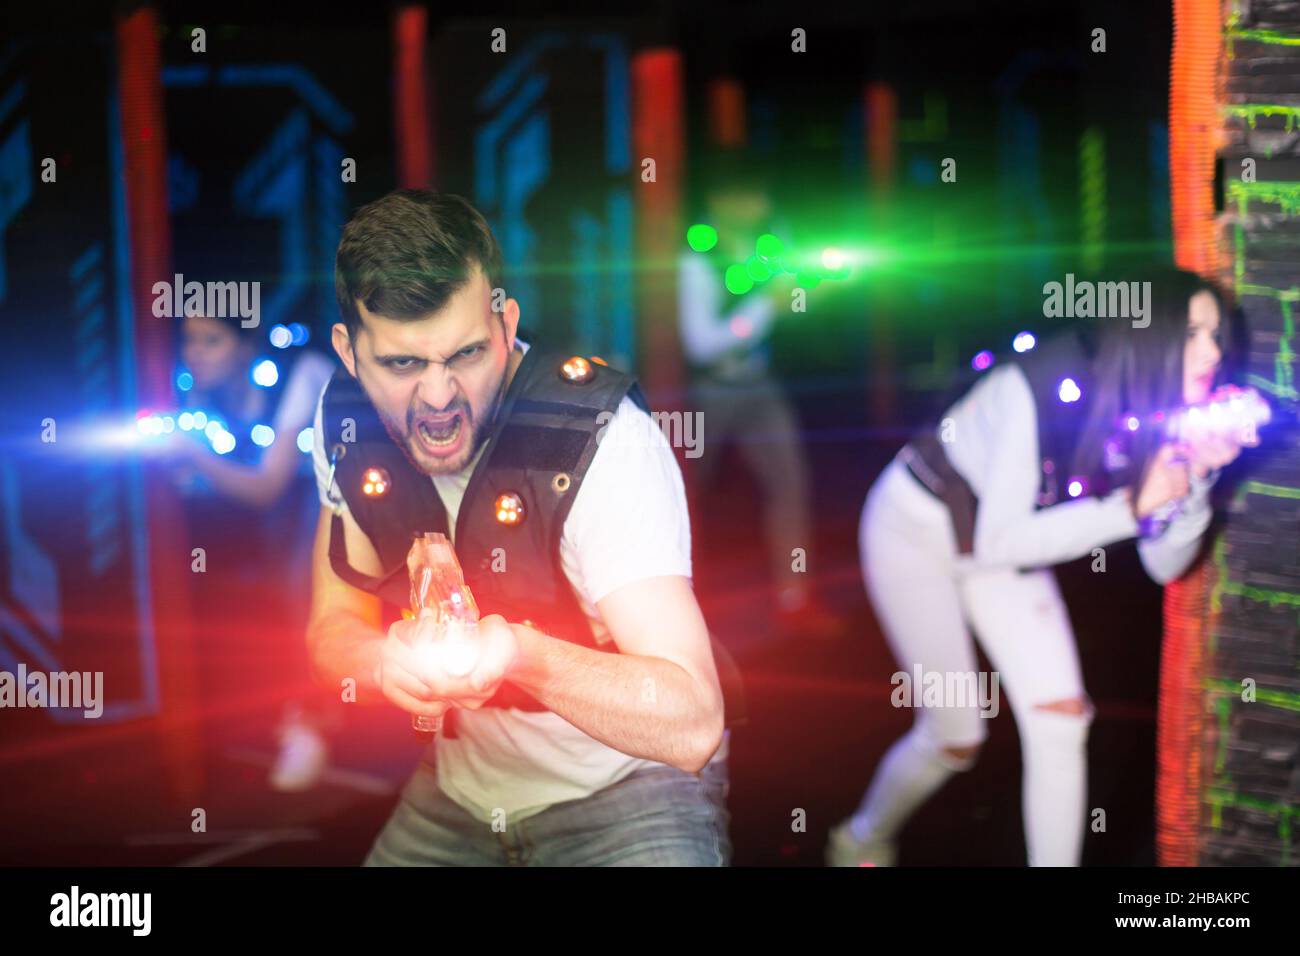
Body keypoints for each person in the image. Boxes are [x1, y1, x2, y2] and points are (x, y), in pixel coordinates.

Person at [307, 189, 733, 866]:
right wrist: (381, 660)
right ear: (350, 353)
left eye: (468, 354)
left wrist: (519, 657)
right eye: (403, 364)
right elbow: (329, 629)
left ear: (506, 327)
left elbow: (691, 722)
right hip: (459, 794)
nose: (439, 398)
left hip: (626, 787)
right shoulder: (344, 418)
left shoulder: (604, 439)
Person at [827, 269, 1253, 867]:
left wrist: (1196, 483)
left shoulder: (1171, 410)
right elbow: (1004, 541)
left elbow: (1164, 564)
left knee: (1062, 719)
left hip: (1001, 545)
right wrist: (1133, 506)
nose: (1213, 352)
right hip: (915, 529)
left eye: (1216, 334)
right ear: (1146, 334)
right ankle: (861, 839)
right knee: (957, 737)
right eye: (1192, 333)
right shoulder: (1036, 385)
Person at [173, 309, 337, 791]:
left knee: (296, 591)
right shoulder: (199, 392)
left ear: (245, 346)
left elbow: (266, 486)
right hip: (289, 502)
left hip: (347, 492)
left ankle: (308, 724)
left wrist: (194, 457)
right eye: (189, 340)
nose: (194, 353)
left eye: (210, 341)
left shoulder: (297, 374)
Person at [678, 153, 838, 638]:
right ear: (721, 202)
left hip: (759, 383)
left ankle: (796, 600)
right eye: (752, 196)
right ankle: (677, 616)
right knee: (682, 496)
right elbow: (701, 342)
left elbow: (794, 298)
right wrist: (765, 305)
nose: (763, 205)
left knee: (790, 484)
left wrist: (804, 294)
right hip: (706, 392)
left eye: (764, 196)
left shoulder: (769, 242)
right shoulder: (695, 256)